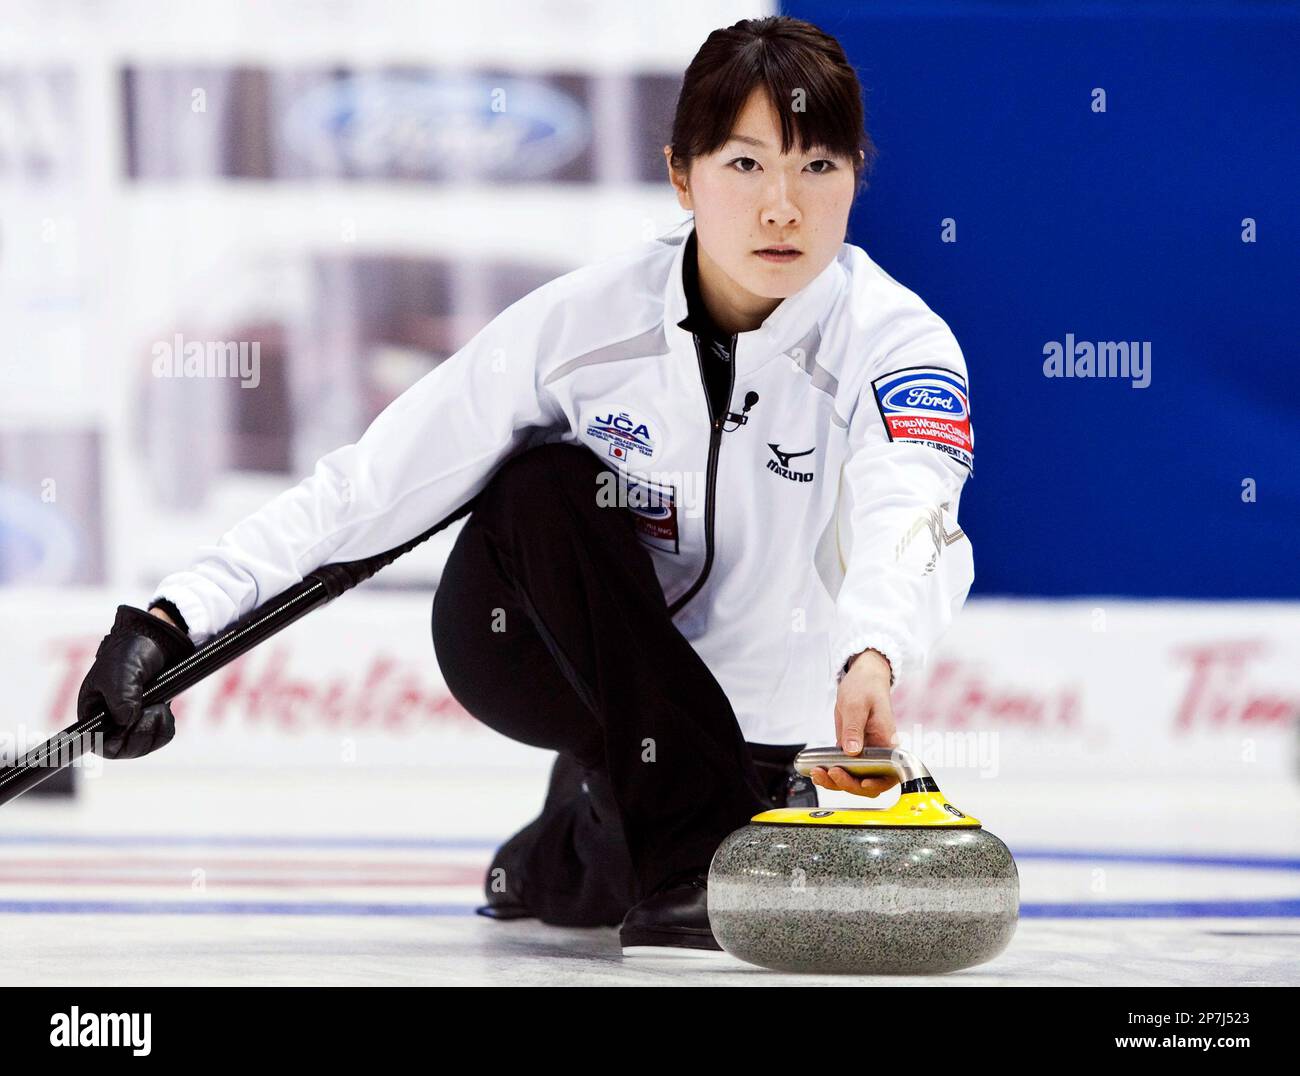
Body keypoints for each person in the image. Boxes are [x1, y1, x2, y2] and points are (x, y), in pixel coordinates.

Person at [77, 15, 974, 953]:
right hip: (556, 667)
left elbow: (911, 509)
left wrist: (873, 650)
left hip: (770, 728)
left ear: (855, 176)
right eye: (746, 165)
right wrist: (171, 620)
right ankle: (688, 855)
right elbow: (371, 488)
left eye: (818, 166)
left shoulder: (898, 344)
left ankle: (588, 826)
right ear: (682, 176)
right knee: (543, 486)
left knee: (582, 875)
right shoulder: (584, 324)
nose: (783, 206)